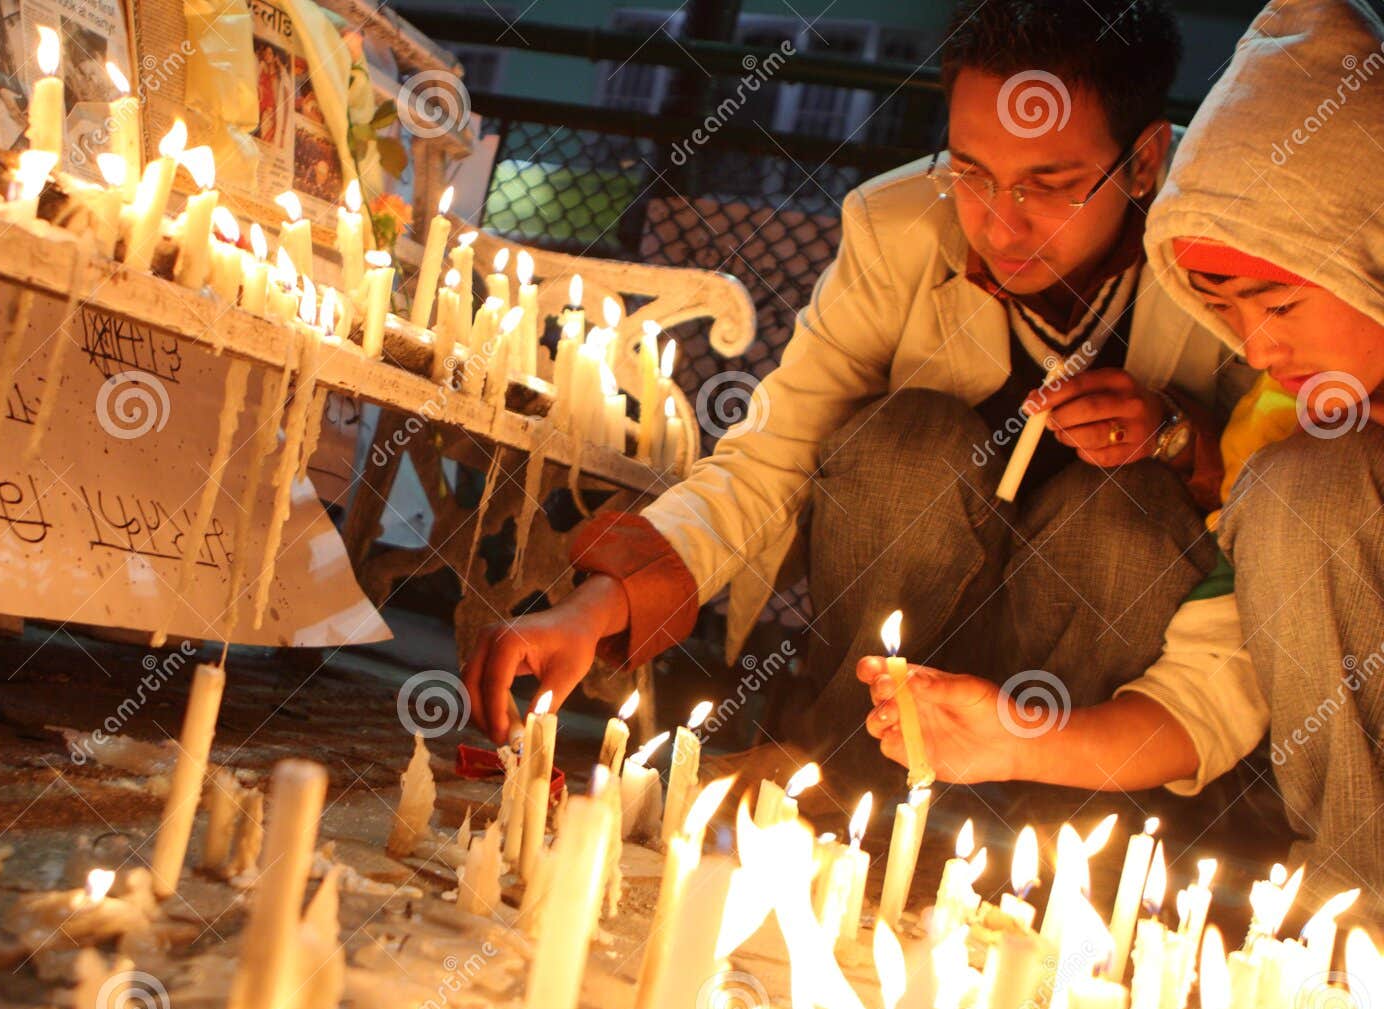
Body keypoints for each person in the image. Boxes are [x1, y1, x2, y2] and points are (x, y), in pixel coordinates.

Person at [464, 0, 1251, 815]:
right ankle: (843, 769)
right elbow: (771, 454)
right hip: (897, 645)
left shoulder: (1225, 255)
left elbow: (1267, 504)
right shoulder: (898, 227)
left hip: (1078, 699)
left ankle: (1032, 824)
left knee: (1123, 507)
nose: (1000, 224)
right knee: (907, 440)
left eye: (1048, 186)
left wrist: (1180, 438)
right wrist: (598, 607)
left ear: (1147, 161)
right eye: (974, 173)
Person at [861, 0, 1384, 910]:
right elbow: (1211, 685)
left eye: (1281, 305)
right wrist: (1012, 739)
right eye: (1225, 310)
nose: (1255, 351)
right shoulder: (1294, 445)